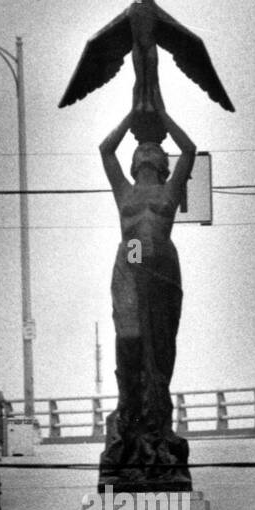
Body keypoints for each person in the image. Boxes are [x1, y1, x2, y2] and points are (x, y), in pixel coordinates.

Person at [98, 102, 196, 488]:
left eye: (154, 148)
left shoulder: (170, 189)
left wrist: (165, 116)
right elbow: (106, 150)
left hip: (162, 270)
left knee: (160, 353)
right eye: (141, 147)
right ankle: (129, 417)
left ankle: (153, 429)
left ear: (162, 161)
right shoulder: (124, 190)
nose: (145, 150)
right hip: (131, 261)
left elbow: (189, 149)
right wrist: (131, 114)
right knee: (130, 340)